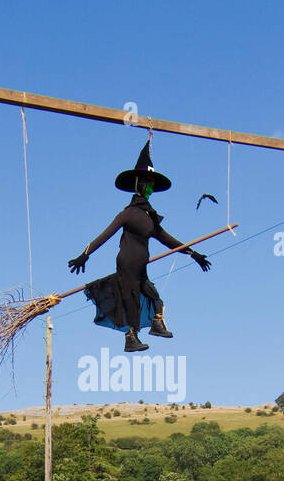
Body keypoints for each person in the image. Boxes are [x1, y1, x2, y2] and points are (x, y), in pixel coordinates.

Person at [68, 142, 210, 352]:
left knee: (154, 297)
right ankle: (131, 337)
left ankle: (155, 325)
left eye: (153, 185)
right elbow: (105, 234)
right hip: (127, 264)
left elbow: (169, 240)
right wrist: (85, 254)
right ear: (140, 185)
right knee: (133, 300)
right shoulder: (128, 213)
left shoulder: (149, 218)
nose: (151, 189)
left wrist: (193, 254)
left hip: (140, 267)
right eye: (149, 184)